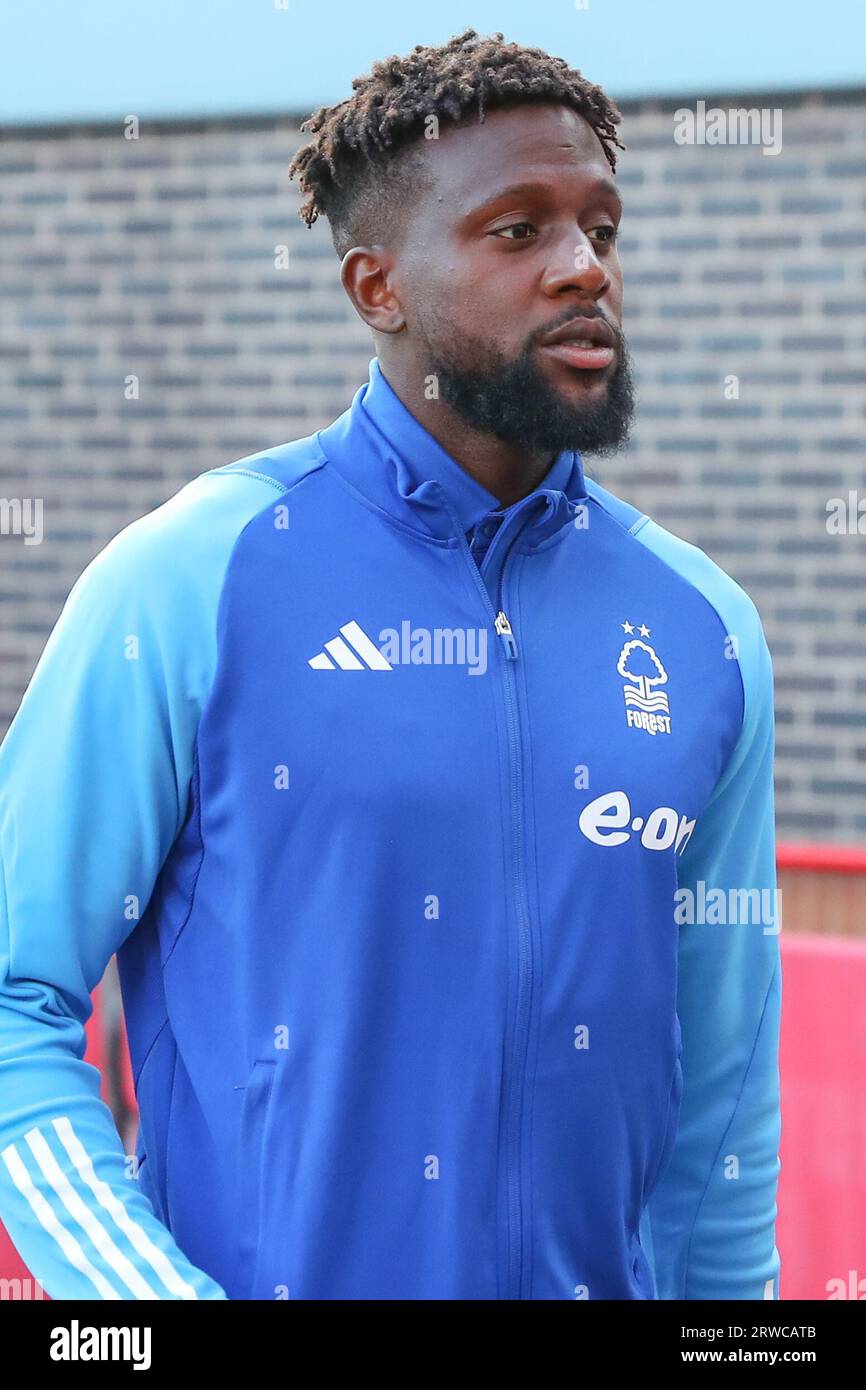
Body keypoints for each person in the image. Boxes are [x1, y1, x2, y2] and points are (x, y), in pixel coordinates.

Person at [0, 28, 781, 1300]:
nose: (584, 269)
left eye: (599, 224)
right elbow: (11, 999)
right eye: (517, 231)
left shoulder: (702, 626)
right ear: (378, 287)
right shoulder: (192, 576)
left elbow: (724, 1089)